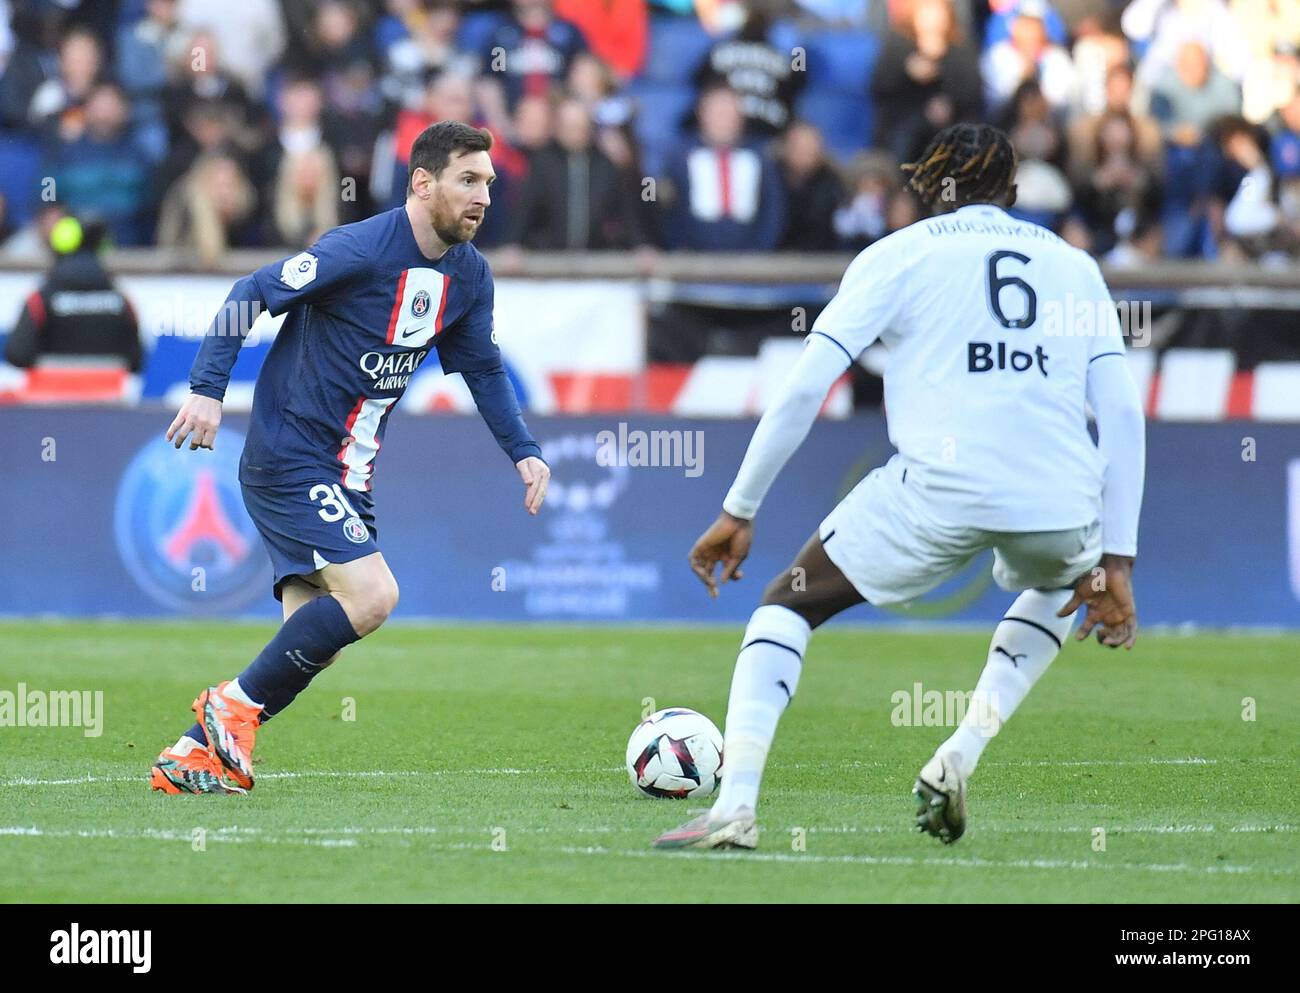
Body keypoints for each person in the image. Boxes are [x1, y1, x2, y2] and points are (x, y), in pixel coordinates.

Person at [653, 123, 1146, 850]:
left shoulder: (899, 253)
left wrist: (740, 507)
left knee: (787, 604)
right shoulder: (1076, 267)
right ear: (1013, 193)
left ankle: (735, 808)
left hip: (938, 487)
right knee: (1067, 582)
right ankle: (959, 753)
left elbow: (803, 388)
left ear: (925, 189)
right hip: (1061, 492)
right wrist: (1120, 560)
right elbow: (1125, 415)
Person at [151, 121, 550, 795]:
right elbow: (251, 290)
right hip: (290, 454)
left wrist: (524, 450)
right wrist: (207, 390)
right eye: (468, 180)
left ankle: (189, 754)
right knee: (373, 595)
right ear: (422, 184)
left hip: (348, 473)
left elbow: (483, 369)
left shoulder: (470, 276)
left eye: (488, 181)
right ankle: (228, 709)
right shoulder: (361, 248)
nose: (484, 194)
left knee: (314, 642)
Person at [4, 215, 141, 372]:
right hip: (107, 393)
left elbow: (18, 354)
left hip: (51, 391)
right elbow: (136, 359)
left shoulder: (41, 299)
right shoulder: (121, 300)